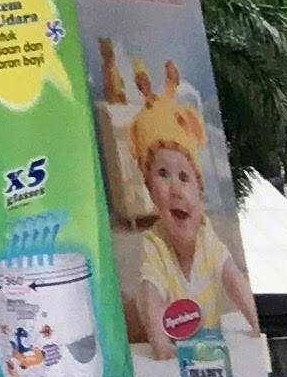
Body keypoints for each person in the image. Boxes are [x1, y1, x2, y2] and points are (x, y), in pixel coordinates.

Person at [107, 56, 259, 360]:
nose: (175, 188)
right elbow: (152, 292)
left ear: (200, 193)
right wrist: (160, 344)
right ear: (151, 192)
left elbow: (234, 279)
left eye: (184, 178)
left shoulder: (209, 240)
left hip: (205, 344)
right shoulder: (156, 243)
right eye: (162, 175)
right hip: (170, 339)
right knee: (135, 302)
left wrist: (256, 326)